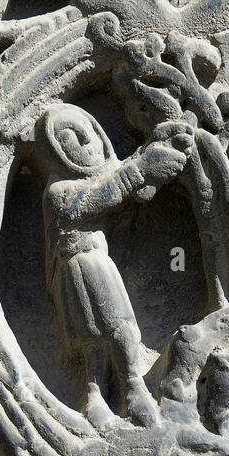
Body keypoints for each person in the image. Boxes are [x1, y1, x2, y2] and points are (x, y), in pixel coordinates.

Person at [38, 103, 194, 427]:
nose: (85, 144)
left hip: (95, 263)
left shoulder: (101, 175)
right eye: (71, 137)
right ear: (56, 149)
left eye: (90, 134)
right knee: (106, 334)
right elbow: (101, 196)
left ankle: (127, 390)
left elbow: (137, 189)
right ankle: (113, 391)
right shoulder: (59, 190)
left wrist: (159, 148)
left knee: (114, 330)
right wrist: (140, 170)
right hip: (79, 265)